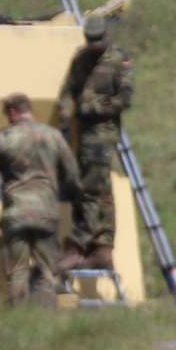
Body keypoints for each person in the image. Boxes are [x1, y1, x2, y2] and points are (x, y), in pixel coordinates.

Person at [0, 93, 81, 303]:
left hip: (15, 214)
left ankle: (21, 317)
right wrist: (71, 201)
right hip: (46, 213)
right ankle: (46, 320)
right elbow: (72, 174)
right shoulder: (53, 136)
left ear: (13, 112)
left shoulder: (3, 139)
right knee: (48, 272)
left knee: (17, 272)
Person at [58, 15, 136, 272]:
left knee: (90, 188)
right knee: (101, 193)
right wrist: (67, 117)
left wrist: (94, 107)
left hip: (103, 132)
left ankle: (78, 245)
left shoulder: (118, 60)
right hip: (82, 133)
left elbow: (124, 99)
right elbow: (68, 91)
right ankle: (102, 249)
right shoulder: (80, 59)